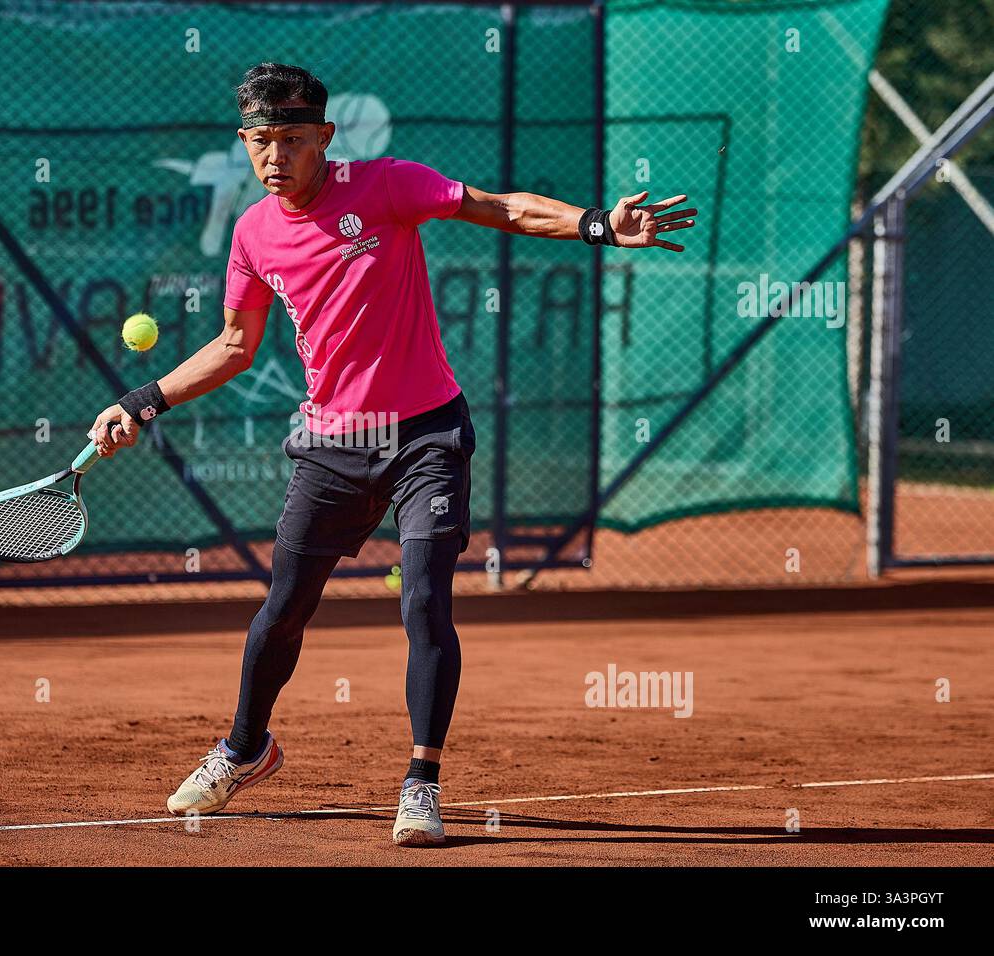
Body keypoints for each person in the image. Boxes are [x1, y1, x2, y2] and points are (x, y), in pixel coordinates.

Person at [89, 62, 696, 846]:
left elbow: (499, 206)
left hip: (426, 436)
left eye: (292, 140)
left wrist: (596, 224)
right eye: (260, 142)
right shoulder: (253, 233)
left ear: (325, 138)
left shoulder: (385, 186)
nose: (275, 158)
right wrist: (144, 400)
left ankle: (421, 782)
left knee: (422, 598)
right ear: (244, 143)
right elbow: (237, 346)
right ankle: (246, 747)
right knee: (283, 610)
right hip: (332, 446)